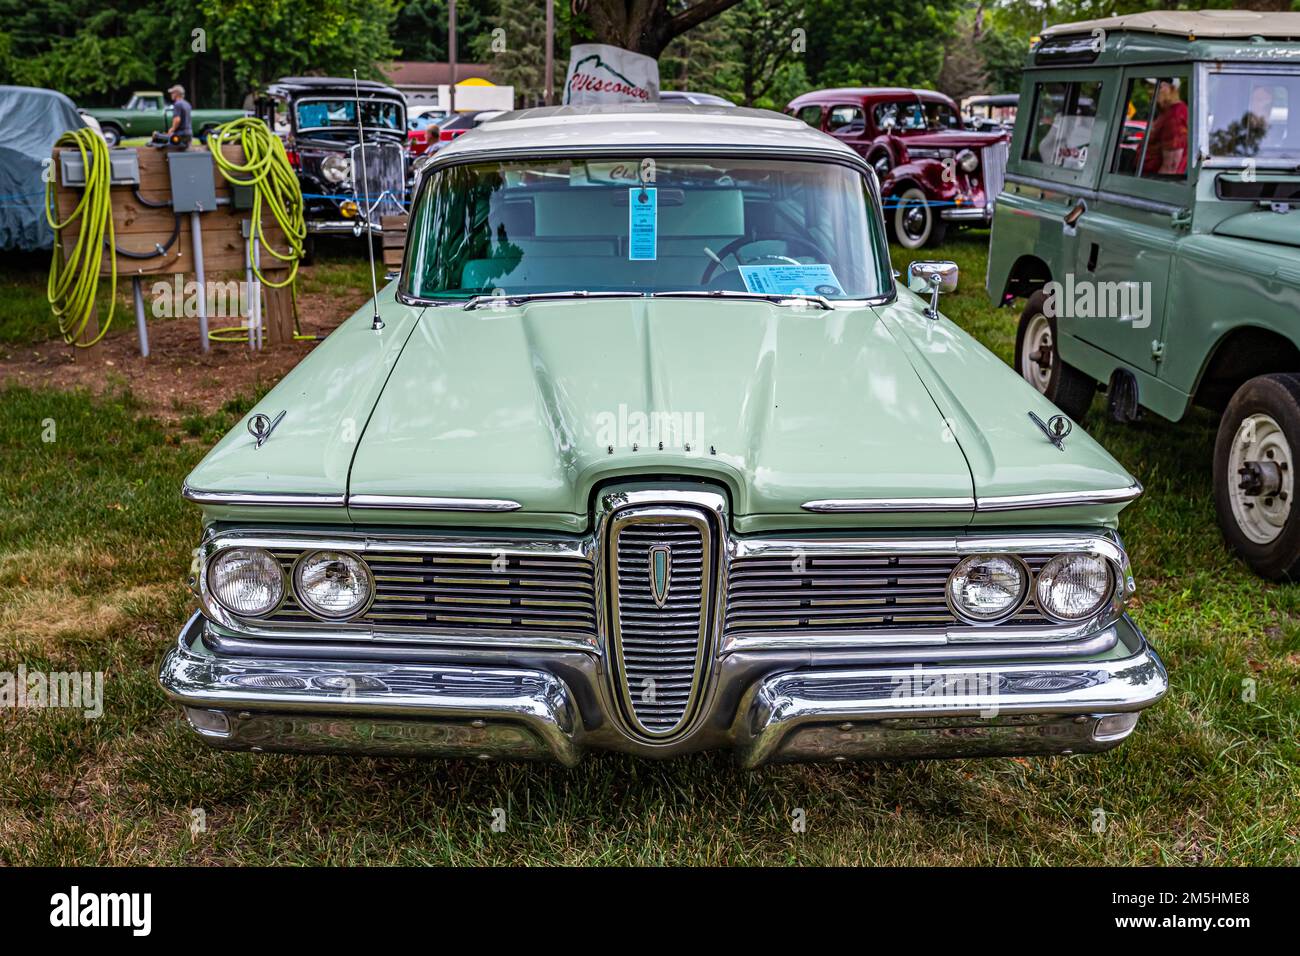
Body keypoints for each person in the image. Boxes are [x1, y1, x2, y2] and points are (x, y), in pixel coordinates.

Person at [1142, 79, 1188, 177]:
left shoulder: (1175, 116)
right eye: (1149, 87)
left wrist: (1155, 191)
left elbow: (1171, 165)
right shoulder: (1167, 112)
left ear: (1171, 88)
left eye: (1157, 87)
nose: (1150, 91)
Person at [166, 84, 193, 148]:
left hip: (180, 134)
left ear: (176, 94)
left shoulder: (177, 104)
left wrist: (172, 129)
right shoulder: (187, 104)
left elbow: (177, 119)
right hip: (189, 134)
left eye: (172, 93)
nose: (171, 95)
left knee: (165, 147)